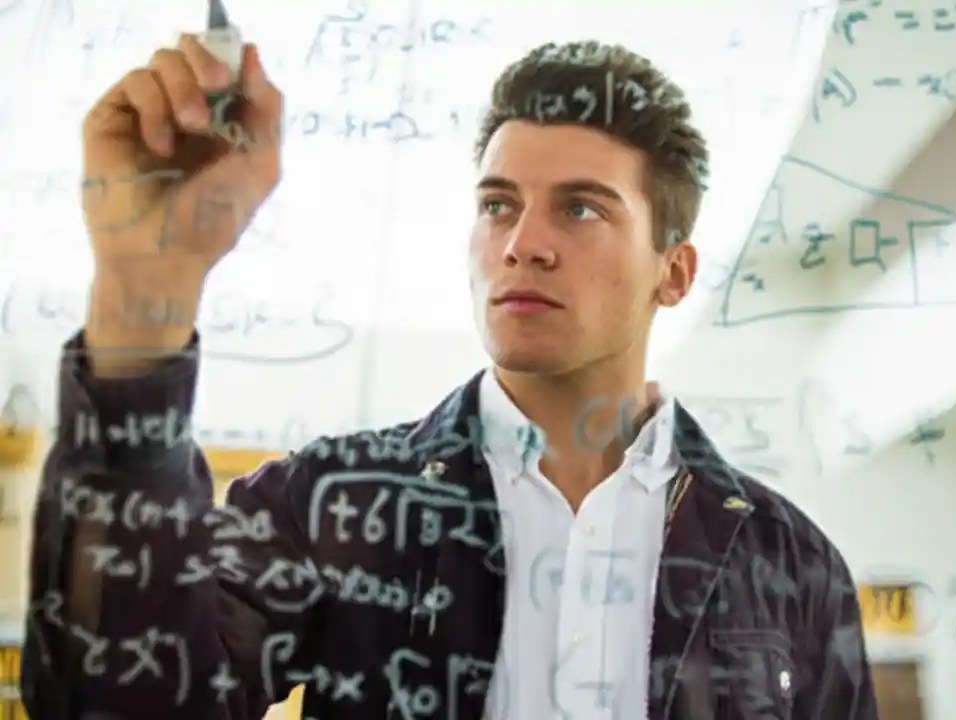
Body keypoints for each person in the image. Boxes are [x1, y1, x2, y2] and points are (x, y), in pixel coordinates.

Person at [21, 34, 879, 720]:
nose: (522, 242)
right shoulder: (336, 502)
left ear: (675, 272)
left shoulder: (793, 566)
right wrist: (144, 294)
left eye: (580, 208)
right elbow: (121, 701)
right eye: (499, 204)